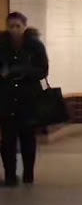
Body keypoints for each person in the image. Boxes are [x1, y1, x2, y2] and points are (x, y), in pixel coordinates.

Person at [0, 12, 48, 186]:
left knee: (28, 138)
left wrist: (20, 70)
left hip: (28, 98)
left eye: (17, 26)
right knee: (7, 140)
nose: (14, 30)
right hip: (6, 99)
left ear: (24, 26)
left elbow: (43, 71)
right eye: (11, 26)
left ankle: (28, 174)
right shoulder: (2, 44)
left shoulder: (35, 45)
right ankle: (10, 176)